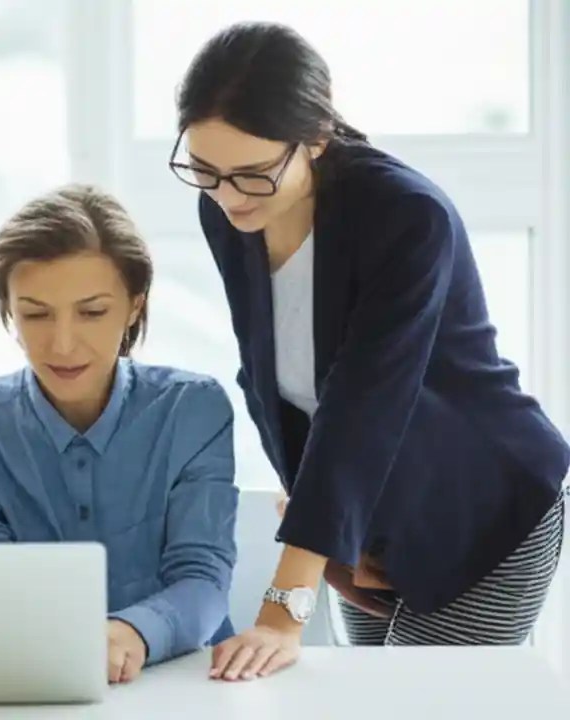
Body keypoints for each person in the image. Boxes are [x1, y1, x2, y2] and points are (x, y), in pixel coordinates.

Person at [168, 22, 570, 681]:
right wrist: (326, 542)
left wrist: (284, 605)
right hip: (368, 516)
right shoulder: (229, 211)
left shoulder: (407, 217)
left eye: (252, 174)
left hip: (481, 511)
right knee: (370, 700)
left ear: (317, 139)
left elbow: (365, 402)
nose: (227, 194)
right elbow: (271, 378)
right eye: (204, 170)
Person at [0, 185, 239, 685]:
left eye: (92, 312)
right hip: (31, 678)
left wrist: (132, 633)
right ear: (8, 310)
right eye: (35, 314)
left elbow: (203, 580)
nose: (62, 343)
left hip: (185, 684)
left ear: (135, 306)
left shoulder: (192, 409)